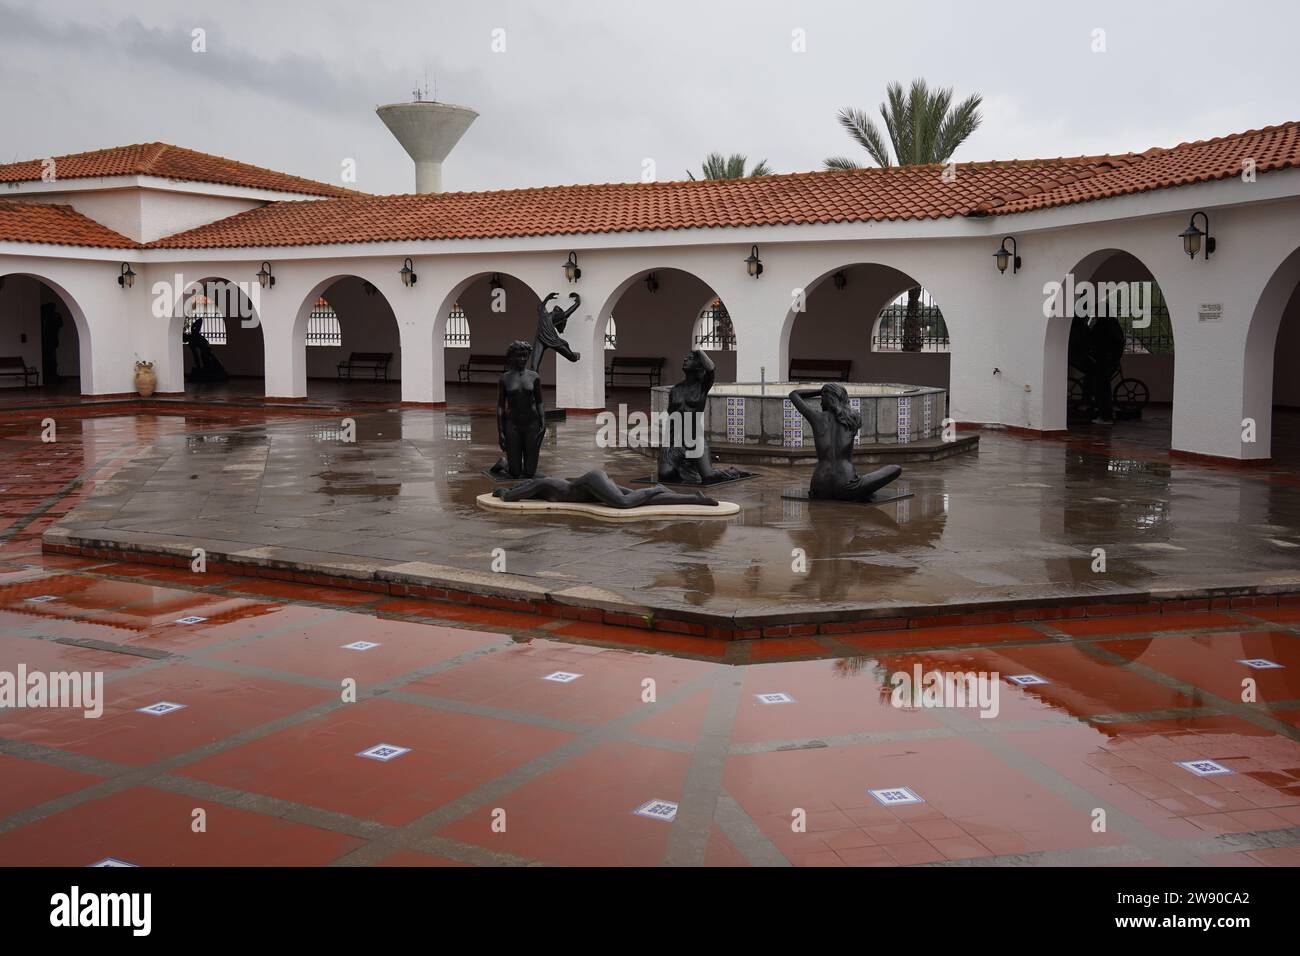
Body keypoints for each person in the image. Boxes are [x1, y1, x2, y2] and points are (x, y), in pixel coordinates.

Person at [788, 383, 902, 501]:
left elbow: (794, 394)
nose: (821, 402)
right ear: (842, 398)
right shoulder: (853, 418)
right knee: (895, 468)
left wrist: (821, 391)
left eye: (822, 398)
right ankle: (862, 487)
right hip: (847, 486)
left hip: (819, 488)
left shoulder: (816, 418)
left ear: (825, 399)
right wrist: (829, 391)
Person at [657, 349, 748, 484]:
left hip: (696, 439)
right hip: (676, 440)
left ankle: (732, 472)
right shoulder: (676, 390)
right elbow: (671, 418)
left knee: (709, 476)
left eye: (690, 358)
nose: (685, 360)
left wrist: (699, 351)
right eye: (685, 358)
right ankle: (687, 466)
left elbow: (711, 368)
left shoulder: (702, 386)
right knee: (665, 474)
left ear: (699, 365)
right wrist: (667, 445)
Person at [494, 469, 719, 510]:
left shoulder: (540, 483)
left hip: (592, 482)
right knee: (639, 501)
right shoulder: (544, 485)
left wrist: (504, 492)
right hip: (592, 485)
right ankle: (696, 499)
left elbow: (512, 496)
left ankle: (655, 488)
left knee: (624, 503)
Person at [491, 340, 545, 479]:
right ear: (512, 357)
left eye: (525, 356)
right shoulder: (505, 378)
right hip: (512, 425)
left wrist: (543, 423)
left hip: (531, 424)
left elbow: (540, 402)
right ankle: (504, 463)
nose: (522, 359)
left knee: (529, 473)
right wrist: (500, 432)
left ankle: (511, 462)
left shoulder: (534, 377)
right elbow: (500, 406)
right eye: (519, 356)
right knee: (515, 472)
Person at [1087, 314, 1126, 425]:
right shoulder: (1112, 323)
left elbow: (1096, 339)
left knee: (1102, 387)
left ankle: (1105, 416)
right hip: (1108, 360)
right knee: (1103, 386)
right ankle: (1106, 414)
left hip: (1103, 360)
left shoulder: (1104, 323)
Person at [531, 293, 581, 371]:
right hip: (540, 340)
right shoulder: (544, 313)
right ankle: (534, 381)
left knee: (573, 358)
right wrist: (547, 298)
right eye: (556, 309)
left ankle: (574, 355)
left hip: (554, 341)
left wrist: (577, 302)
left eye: (558, 310)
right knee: (534, 367)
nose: (556, 308)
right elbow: (541, 306)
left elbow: (568, 312)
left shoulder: (555, 316)